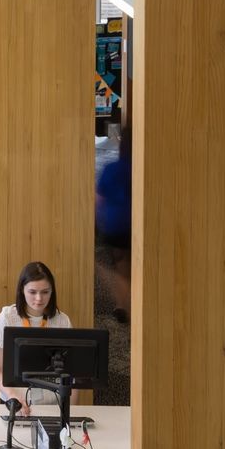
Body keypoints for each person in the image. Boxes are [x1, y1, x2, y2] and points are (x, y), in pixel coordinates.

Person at [0, 261, 73, 413]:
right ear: (22, 290)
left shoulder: (62, 321)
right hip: (16, 402)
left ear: (52, 291)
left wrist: (70, 410)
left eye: (45, 292)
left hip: (53, 404)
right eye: (32, 292)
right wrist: (12, 395)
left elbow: (72, 373)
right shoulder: (7, 317)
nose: (39, 298)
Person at [96, 124, 132, 322]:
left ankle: (121, 305)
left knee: (118, 265)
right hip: (134, 225)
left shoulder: (111, 168)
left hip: (114, 225)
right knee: (131, 264)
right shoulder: (142, 169)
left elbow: (99, 198)